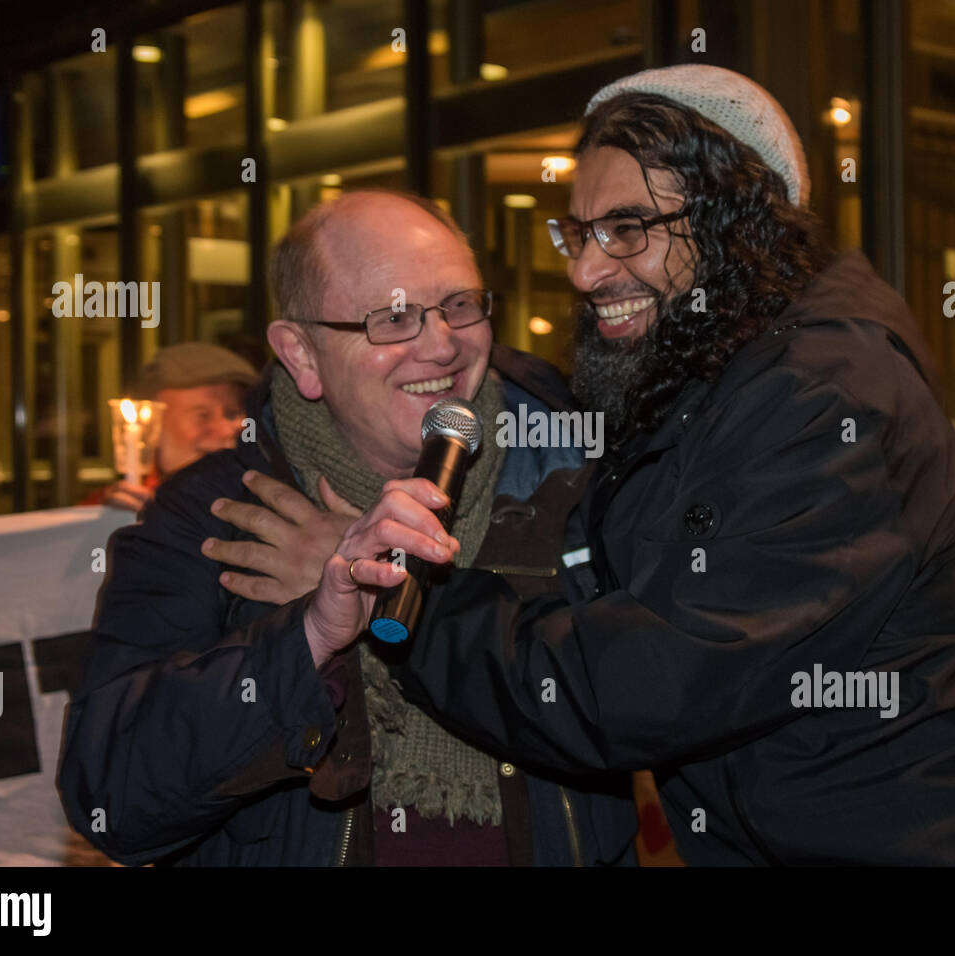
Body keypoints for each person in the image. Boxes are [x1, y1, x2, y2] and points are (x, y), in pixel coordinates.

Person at [305, 65, 955, 865]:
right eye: (578, 232)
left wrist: (403, 606)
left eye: (628, 229)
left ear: (741, 219)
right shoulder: (702, 370)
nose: (585, 271)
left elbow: (646, 684)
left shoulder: (821, 394)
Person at [57, 190, 635, 866]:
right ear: (301, 354)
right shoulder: (211, 514)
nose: (442, 345)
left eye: (459, 305)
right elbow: (112, 795)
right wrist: (306, 639)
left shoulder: (574, 479)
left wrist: (412, 607)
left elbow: (640, 708)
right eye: (393, 318)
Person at [80, 343, 258, 512]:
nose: (227, 431)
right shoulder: (106, 511)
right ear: (151, 428)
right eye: (202, 416)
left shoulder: (264, 496)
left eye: (233, 414)